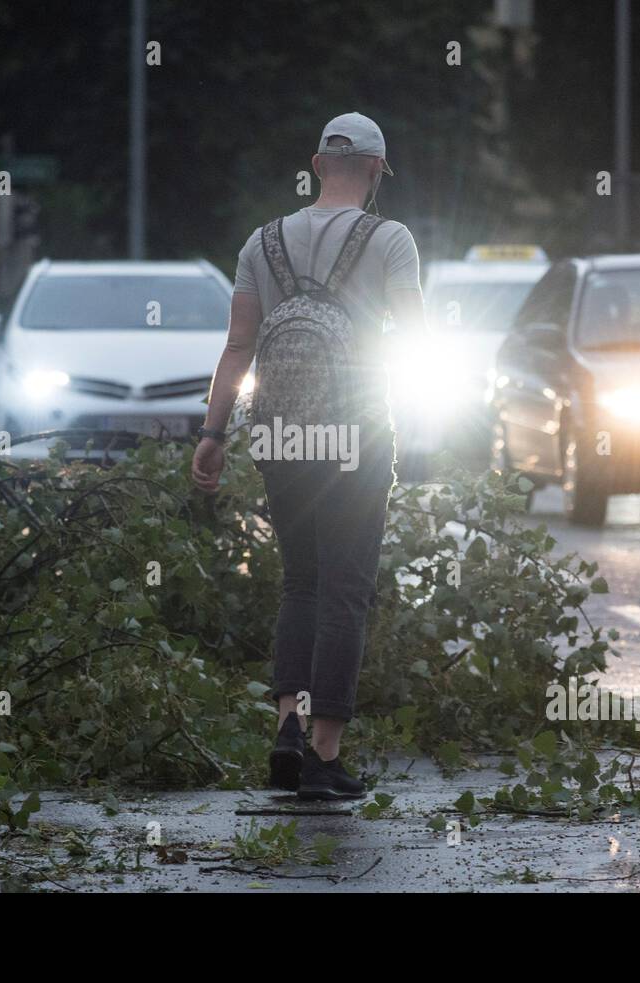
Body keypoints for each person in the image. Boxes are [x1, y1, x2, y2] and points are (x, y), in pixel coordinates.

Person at [191, 112, 426, 800]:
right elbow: (413, 336)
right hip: (354, 434)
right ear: (378, 173)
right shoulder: (391, 239)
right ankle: (324, 756)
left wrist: (212, 434)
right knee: (346, 587)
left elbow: (238, 346)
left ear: (319, 165)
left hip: (279, 433)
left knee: (301, 581)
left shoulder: (261, 242)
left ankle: (286, 725)